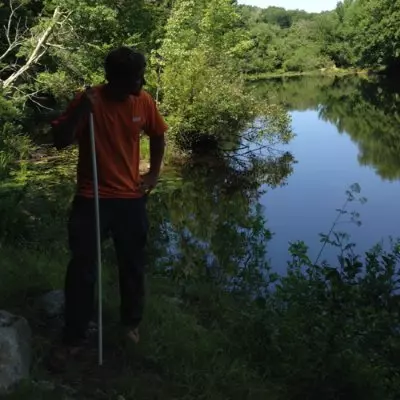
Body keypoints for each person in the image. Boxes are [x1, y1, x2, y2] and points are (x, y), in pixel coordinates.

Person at [48, 46, 167, 367]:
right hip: (92, 198)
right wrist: (77, 113)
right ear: (117, 79)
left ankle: (130, 324)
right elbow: (60, 140)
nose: (141, 81)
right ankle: (73, 337)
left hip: (131, 200)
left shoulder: (143, 101)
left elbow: (157, 134)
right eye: (136, 77)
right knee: (83, 268)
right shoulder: (90, 101)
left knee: (133, 265)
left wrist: (153, 174)